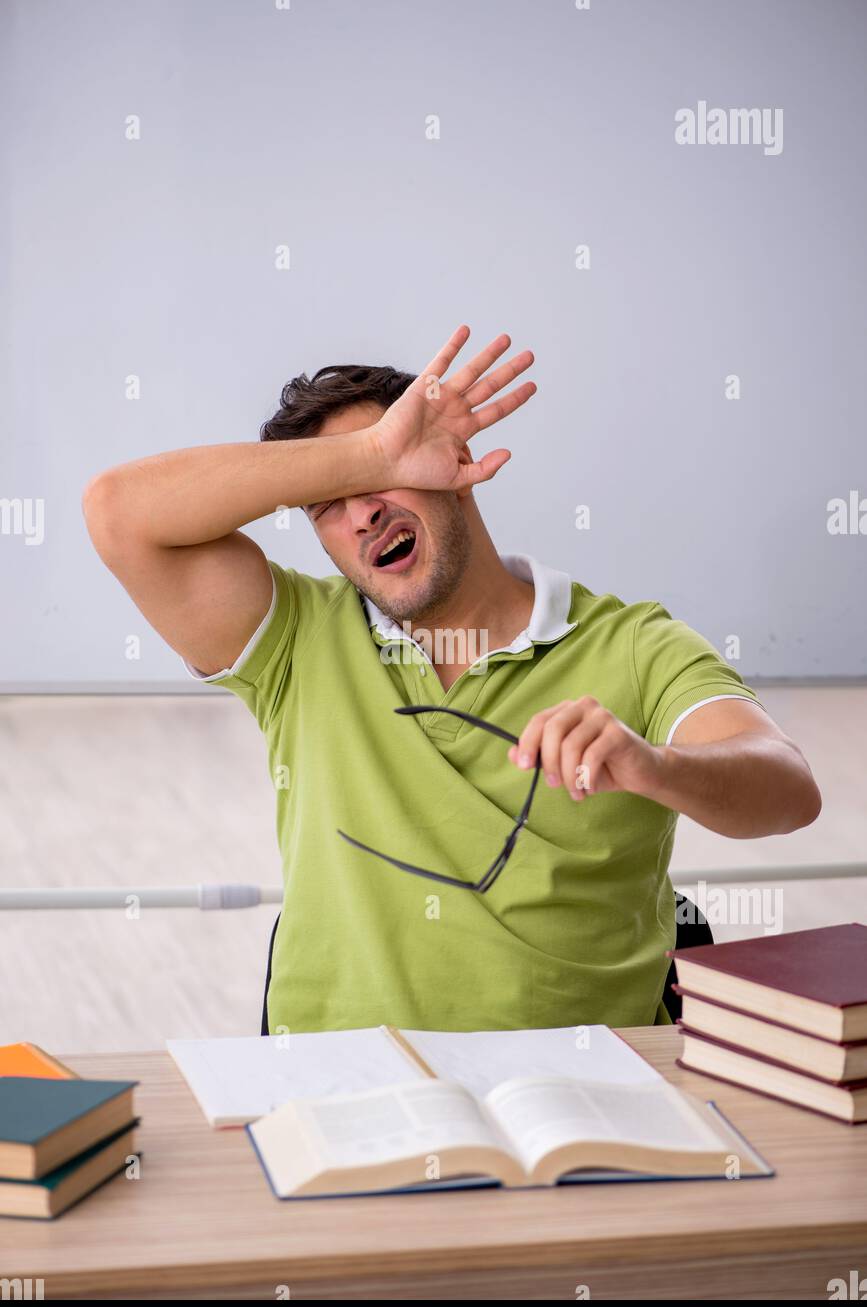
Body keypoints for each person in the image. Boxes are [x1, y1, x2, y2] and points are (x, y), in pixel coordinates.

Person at [82, 325, 822, 1033]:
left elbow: (786, 791)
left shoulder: (632, 644)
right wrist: (370, 453)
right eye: (329, 504)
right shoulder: (294, 640)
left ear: (455, 468)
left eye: (384, 477)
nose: (364, 514)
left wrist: (656, 766)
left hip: (588, 1089)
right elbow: (118, 513)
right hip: (340, 1089)